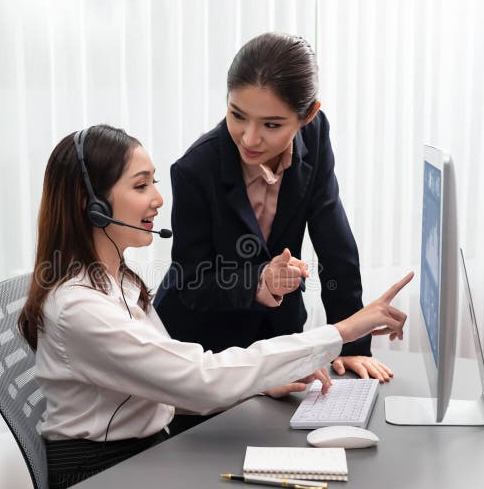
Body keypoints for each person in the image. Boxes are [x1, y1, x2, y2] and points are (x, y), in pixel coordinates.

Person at [18, 124, 412, 489]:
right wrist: (342, 332)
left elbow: (167, 382)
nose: (157, 199)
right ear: (94, 207)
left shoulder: (116, 280)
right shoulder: (79, 307)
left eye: (152, 182)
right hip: (100, 482)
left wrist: (262, 381)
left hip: (143, 453)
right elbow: (198, 377)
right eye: (141, 186)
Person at [155, 33, 391, 405]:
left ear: (307, 114)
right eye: (237, 115)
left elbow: (335, 243)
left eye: (272, 125)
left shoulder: (315, 134)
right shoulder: (194, 170)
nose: (249, 138)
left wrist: (351, 344)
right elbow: (191, 282)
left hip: (278, 338)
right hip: (206, 348)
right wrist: (257, 282)